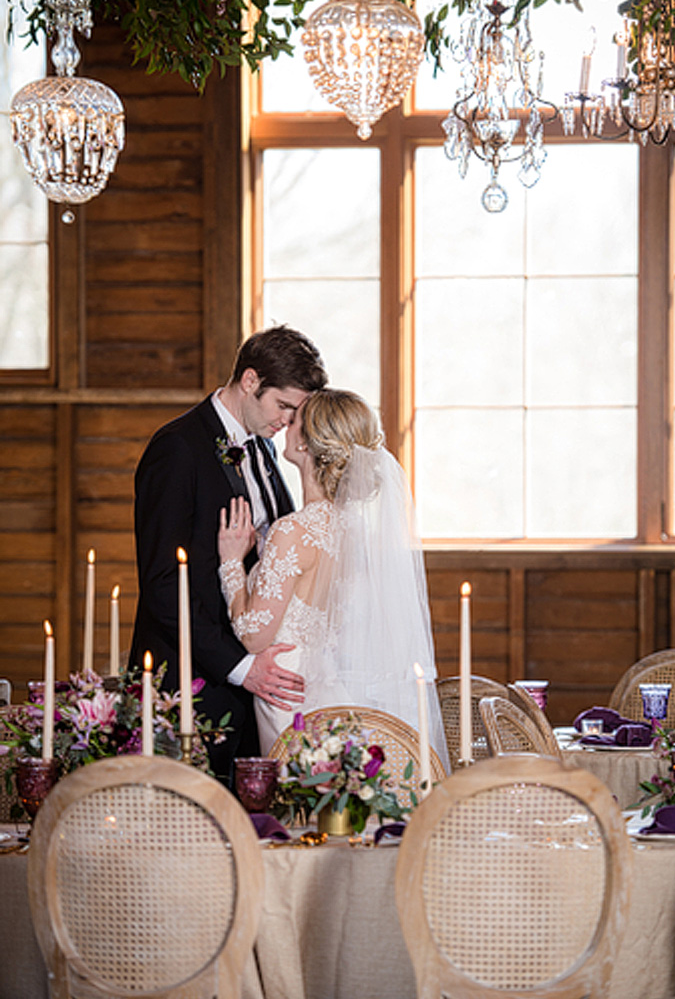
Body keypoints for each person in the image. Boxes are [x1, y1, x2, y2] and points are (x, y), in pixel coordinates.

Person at [130, 325, 328, 781]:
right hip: (193, 690)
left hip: (258, 694)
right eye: (284, 407)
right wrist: (241, 668)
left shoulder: (267, 451)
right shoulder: (177, 448)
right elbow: (163, 585)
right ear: (251, 381)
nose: (288, 423)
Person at [217, 388, 448, 764]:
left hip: (286, 690)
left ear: (307, 444)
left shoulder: (293, 531)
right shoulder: (356, 532)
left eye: (294, 422)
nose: (285, 426)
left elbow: (254, 634)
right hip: (326, 685)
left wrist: (230, 563)